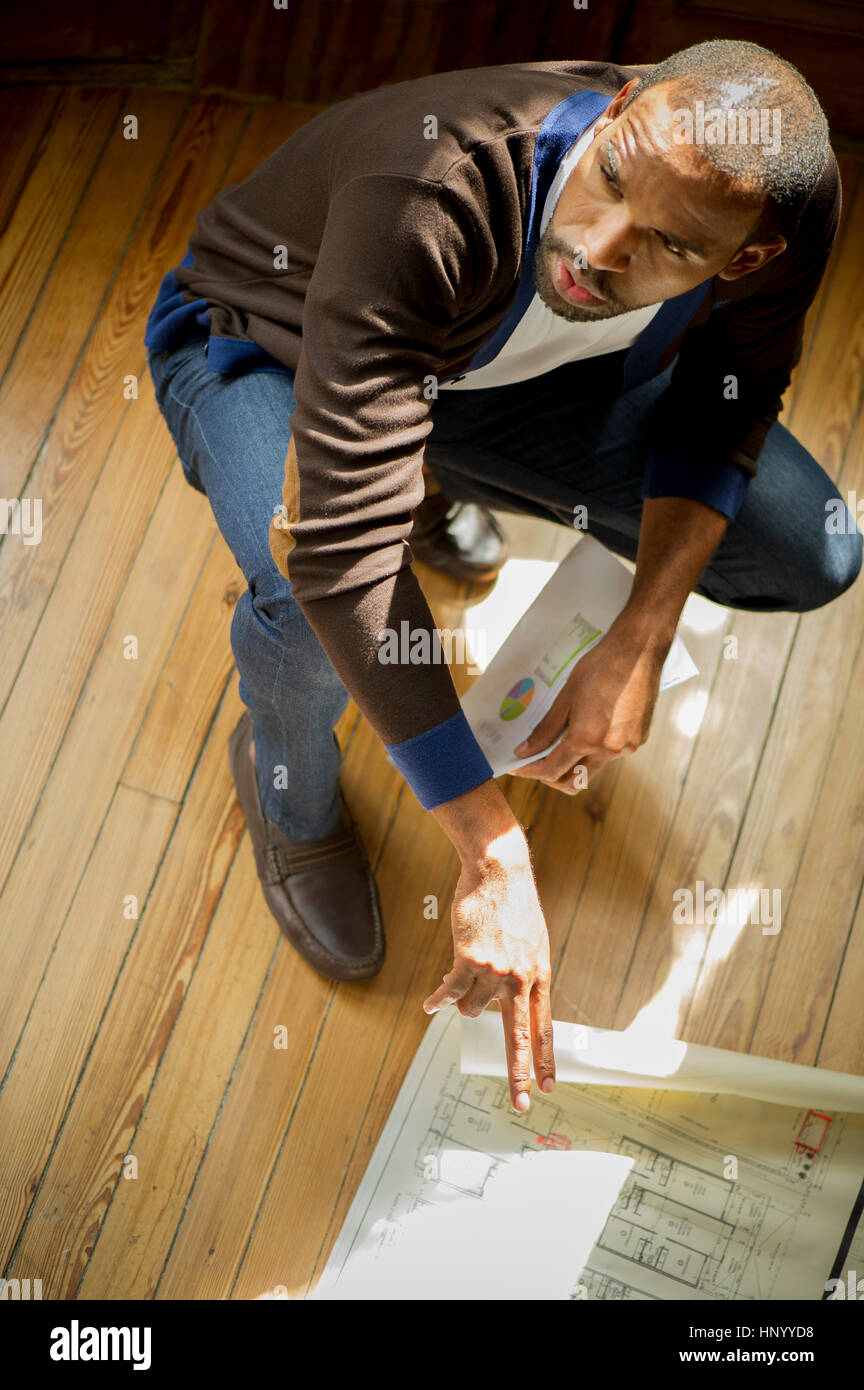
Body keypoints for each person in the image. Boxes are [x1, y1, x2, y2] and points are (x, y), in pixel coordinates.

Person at [145, 39, 861, 1113]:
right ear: (620, 105)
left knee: (813, 544)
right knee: (306, 597)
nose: (598, 250)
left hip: (465, 371)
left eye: (669, 244)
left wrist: (643, 632)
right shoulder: (428, 188)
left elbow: (730, 388)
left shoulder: (786, 206)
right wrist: (492, 848)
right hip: (265, 343)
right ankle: (286, 781)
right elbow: (342, 554)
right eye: (610, 178)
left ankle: (415, 464)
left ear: (749, 257)